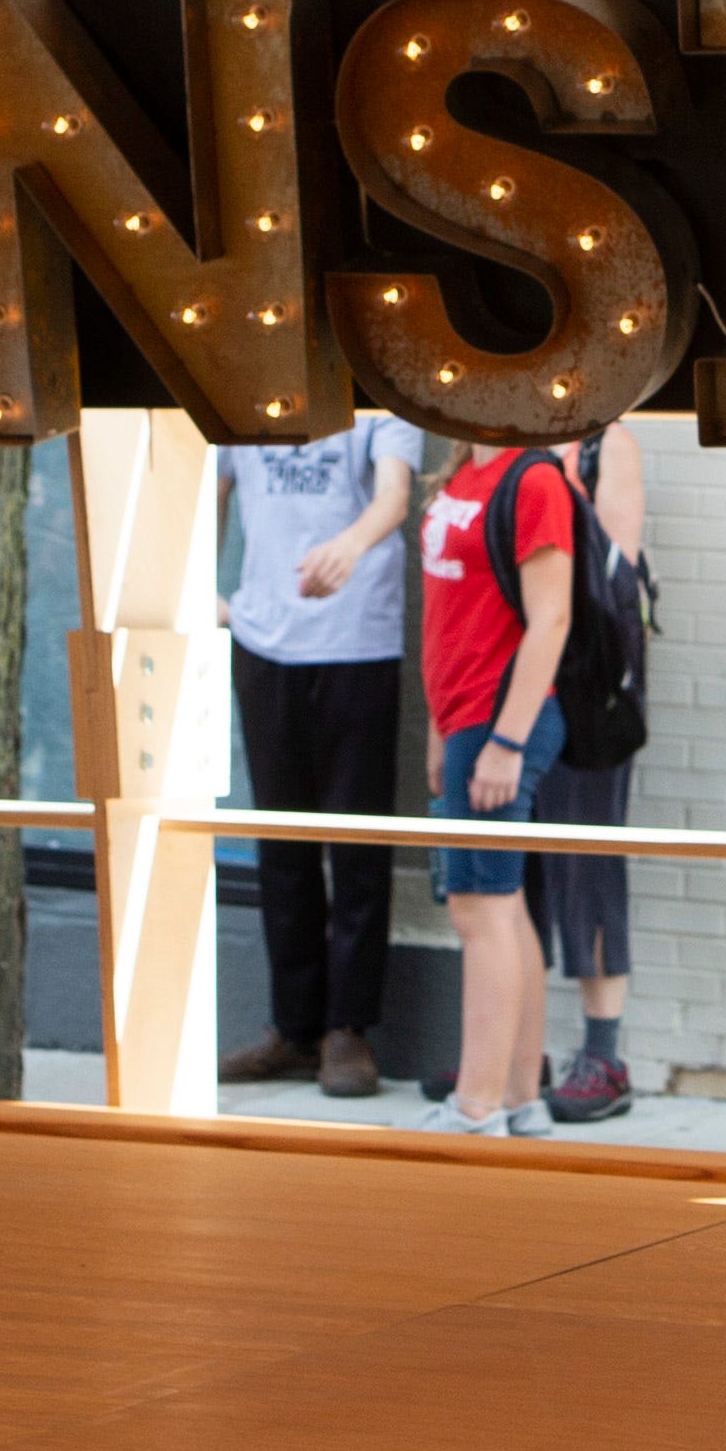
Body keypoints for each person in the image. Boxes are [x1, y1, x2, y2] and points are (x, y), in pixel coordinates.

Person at [212, 409, 420, 1095]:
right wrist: (202, 589)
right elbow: (208, 493)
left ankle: (348, 1030)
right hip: (263, 640)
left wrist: (352, 545)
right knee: (282, 846)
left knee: (357, 845)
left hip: (356, 641)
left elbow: (395, 494)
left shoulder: (376, 399)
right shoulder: (237, 389)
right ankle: (294, 1029)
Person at [412, 427, 580, 1136]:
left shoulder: (532, 479)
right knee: (502, 909)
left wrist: (505, 742)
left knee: (478, 911)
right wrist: (438, 730)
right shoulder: (462, 473)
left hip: (499, 720)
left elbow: (552, 618)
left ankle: (475, 1106)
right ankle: (520, 1099)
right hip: (466, 722)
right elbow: (447, 619)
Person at [522, 415, 653, 1122]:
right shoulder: (502, 444)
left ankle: (604, 1055)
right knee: (521, 868)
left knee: (586, 865)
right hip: (514, 684)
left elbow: (611, 575)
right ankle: (521, 1047)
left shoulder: (609, 446)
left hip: (584, 692)